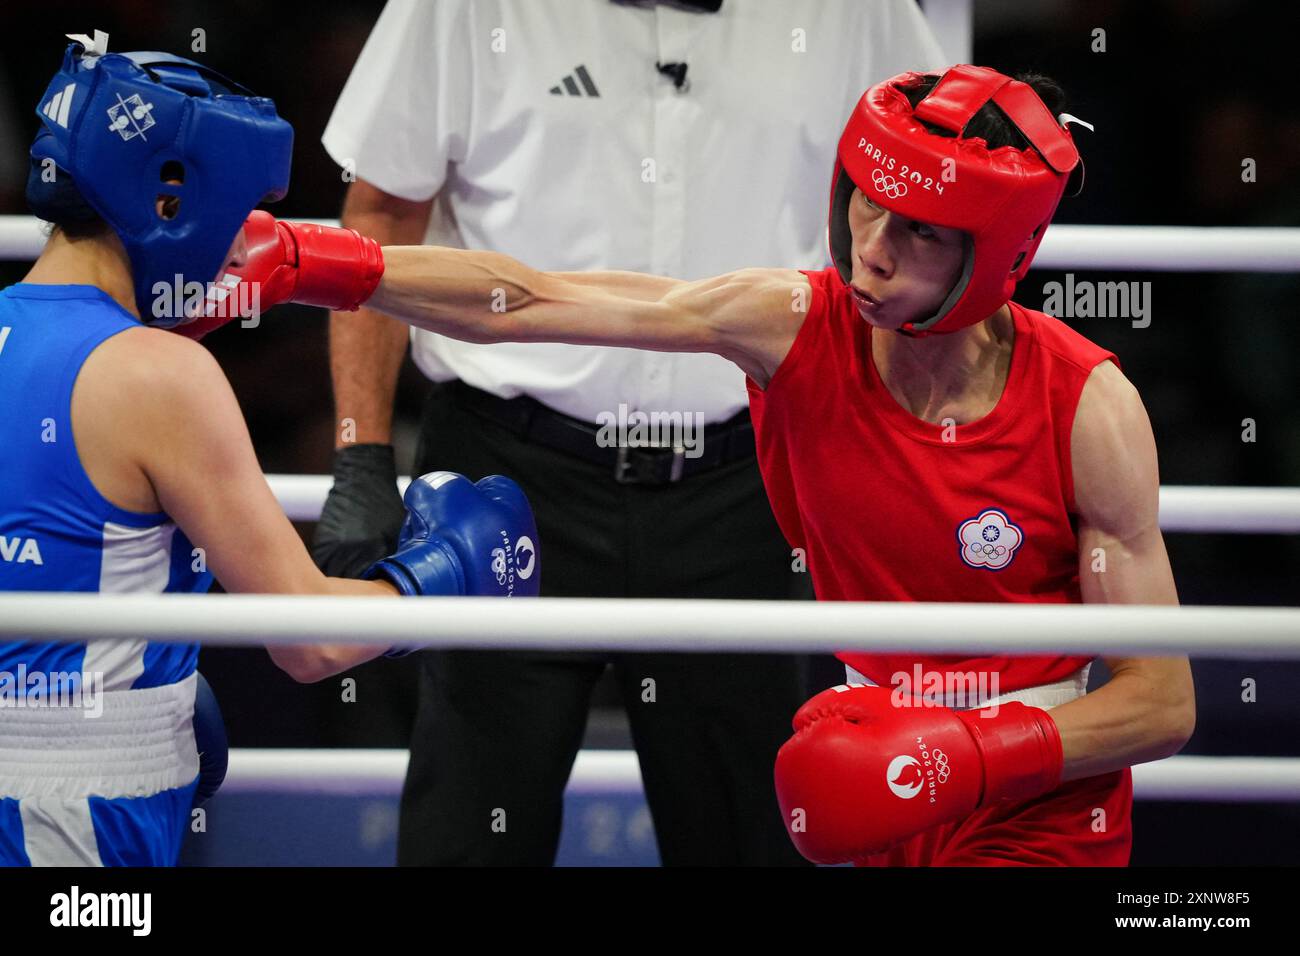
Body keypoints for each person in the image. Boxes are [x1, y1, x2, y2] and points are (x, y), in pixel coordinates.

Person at [243, 65, 1197, 865]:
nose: (870, 252)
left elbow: (1162, 703)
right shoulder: (792, 325)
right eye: (868, 203)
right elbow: (535, 298)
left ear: (995, 256)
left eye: (922, 232)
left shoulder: (1086, 407)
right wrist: (308, 262)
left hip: (1042, 798)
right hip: (872, 766)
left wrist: (972, 757)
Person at [313, 0, 946, 865]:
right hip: (507, 480)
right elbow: (382, 211)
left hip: (747, 476)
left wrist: (914, 458)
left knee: (754, 833)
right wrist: (360, 457)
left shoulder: (851, 12)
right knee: (470, 834)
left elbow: (928, 208)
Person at [0, 34, 537, 867]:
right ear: (169, 198)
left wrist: (153, 701)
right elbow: (309, 639)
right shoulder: (162, 376)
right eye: (235, 210)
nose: (239, 240)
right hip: (66, 824)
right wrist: (455, 572)